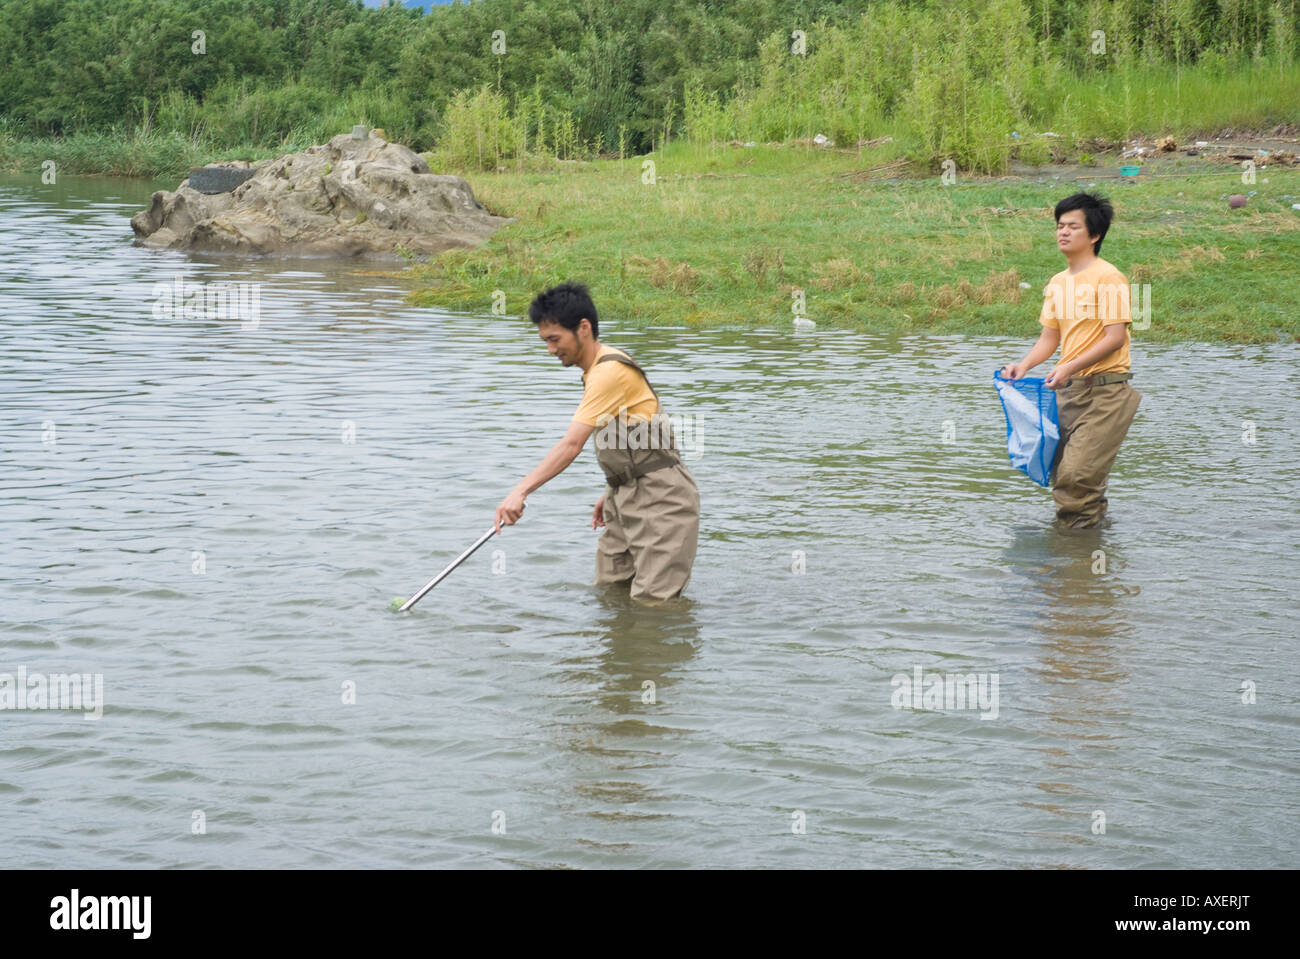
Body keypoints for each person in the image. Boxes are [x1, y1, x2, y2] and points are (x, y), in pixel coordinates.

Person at [493, 281, 700, 602]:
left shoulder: (608, 372)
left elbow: (571, 445)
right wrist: (615, 486)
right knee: (610, 592)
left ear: (584, 328)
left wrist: (520, 491)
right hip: (627, 493)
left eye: (554, 339)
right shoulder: (599, 369)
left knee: (654, 607)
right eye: (545, 341)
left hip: (662, 501)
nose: (550, 350)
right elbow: (631, 437)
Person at [1000, 192, 1141, 528]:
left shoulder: (1109, 278)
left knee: (1076, 478)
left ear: (1094, 235)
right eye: (1060, 225)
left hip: (1106, 393)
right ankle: (1086, 558)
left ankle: (1073, 561)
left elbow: (1114, 338)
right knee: (1071, 477)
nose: (1063, 232)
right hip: (1069, 393)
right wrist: (1024, 366)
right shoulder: (1057, 283)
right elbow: (1051, 338)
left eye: (1073, 226)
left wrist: (1067, 366)